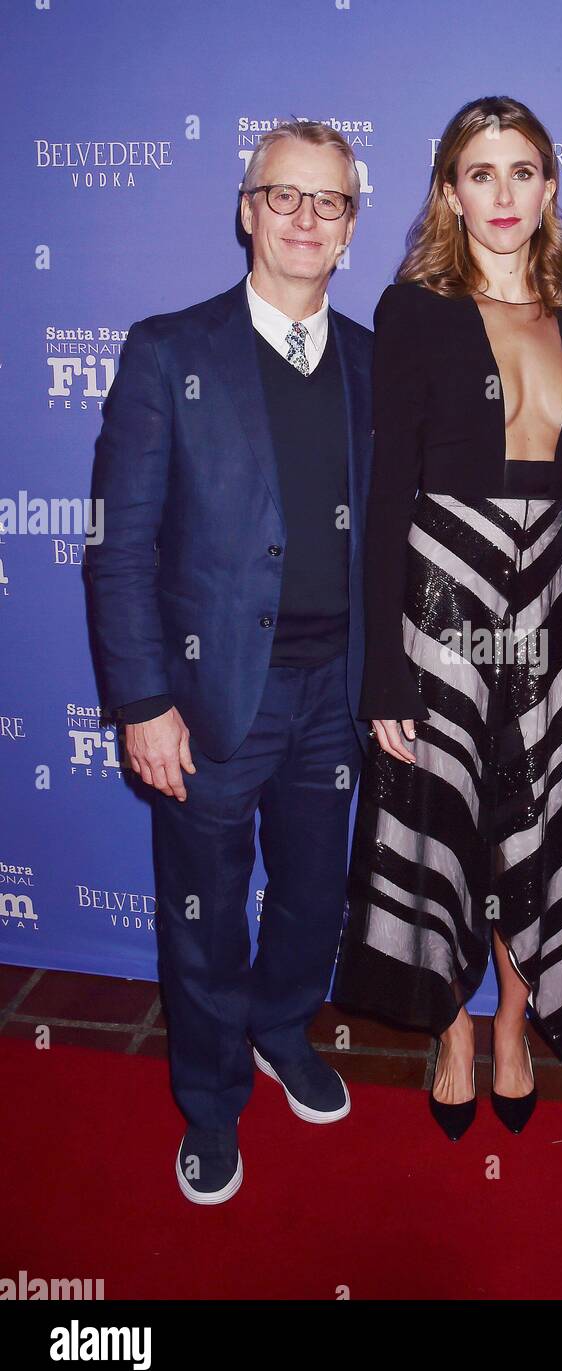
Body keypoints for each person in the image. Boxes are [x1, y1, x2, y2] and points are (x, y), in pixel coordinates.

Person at [86, 119, 373, 1204]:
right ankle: (209, 1104)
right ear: (246, 209)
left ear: (349, 229)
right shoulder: (169, 351)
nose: (305, 218)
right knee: (203, 910)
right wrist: (144, 698)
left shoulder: (369, 361)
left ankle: (281, 1029)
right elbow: (119, 545)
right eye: (283, 196)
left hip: (333, 694)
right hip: (208, 701)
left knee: (309, 897)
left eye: (329, 202)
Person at [331, 95, 562, 1141]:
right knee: (442, 812)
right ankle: (447, 1023)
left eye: (523, 171)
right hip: (439, 600)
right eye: (481, 173)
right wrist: (383, 673)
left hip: (546, 602)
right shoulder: (413, 312)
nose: (504, 194)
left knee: (523, 814)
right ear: (450, 192)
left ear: (551, 186)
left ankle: (509, 1020)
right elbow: (385, 495)